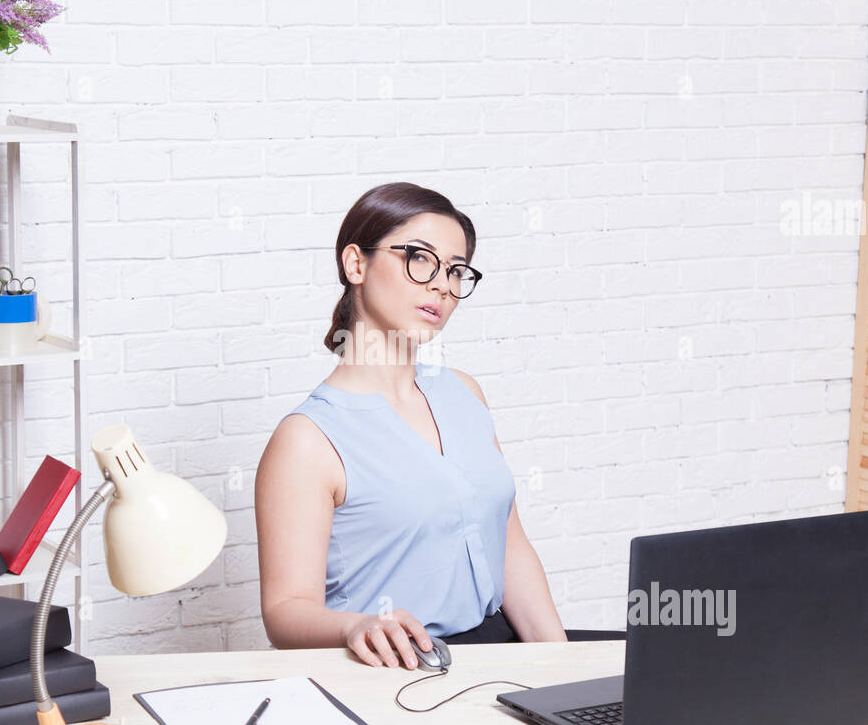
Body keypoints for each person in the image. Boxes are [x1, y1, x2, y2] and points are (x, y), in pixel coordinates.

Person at [255, 182, 616, 670]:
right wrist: (357, 626)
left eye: (455, 270)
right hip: (399, 667)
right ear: (355, 264)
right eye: (419, 259)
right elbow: (285, 612)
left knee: (658, 667)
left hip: (497, 648)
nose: (442, 286)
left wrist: (562, 670)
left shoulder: (464, 393)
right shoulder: (307, 439)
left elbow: (509, 547)